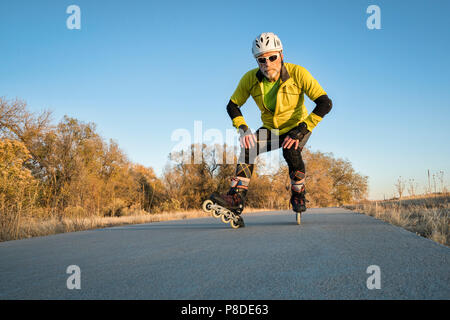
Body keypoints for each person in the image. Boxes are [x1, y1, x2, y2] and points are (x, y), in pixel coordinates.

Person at [209, 32, 332, 225]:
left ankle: (298, 193)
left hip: (297, 126)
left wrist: (302, 129)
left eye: (272, 57)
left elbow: (325, 103)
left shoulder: (298, 73)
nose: (267, 64)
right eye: (261, 60)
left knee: (290, 150)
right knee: (249, 146)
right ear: (257, 61)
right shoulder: (250, 79)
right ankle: (236, 198)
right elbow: (232, 105)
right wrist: (243, 128)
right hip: (271, 129)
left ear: (281, 56)